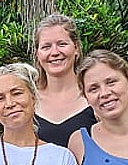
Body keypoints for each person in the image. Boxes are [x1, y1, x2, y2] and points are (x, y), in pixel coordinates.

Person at [32, 14, 95, 146]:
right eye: (46, 47)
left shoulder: (95, 95)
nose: (54, 52)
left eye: (62, 44)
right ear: (37, 54)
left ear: (76, 48)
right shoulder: (28, 100)